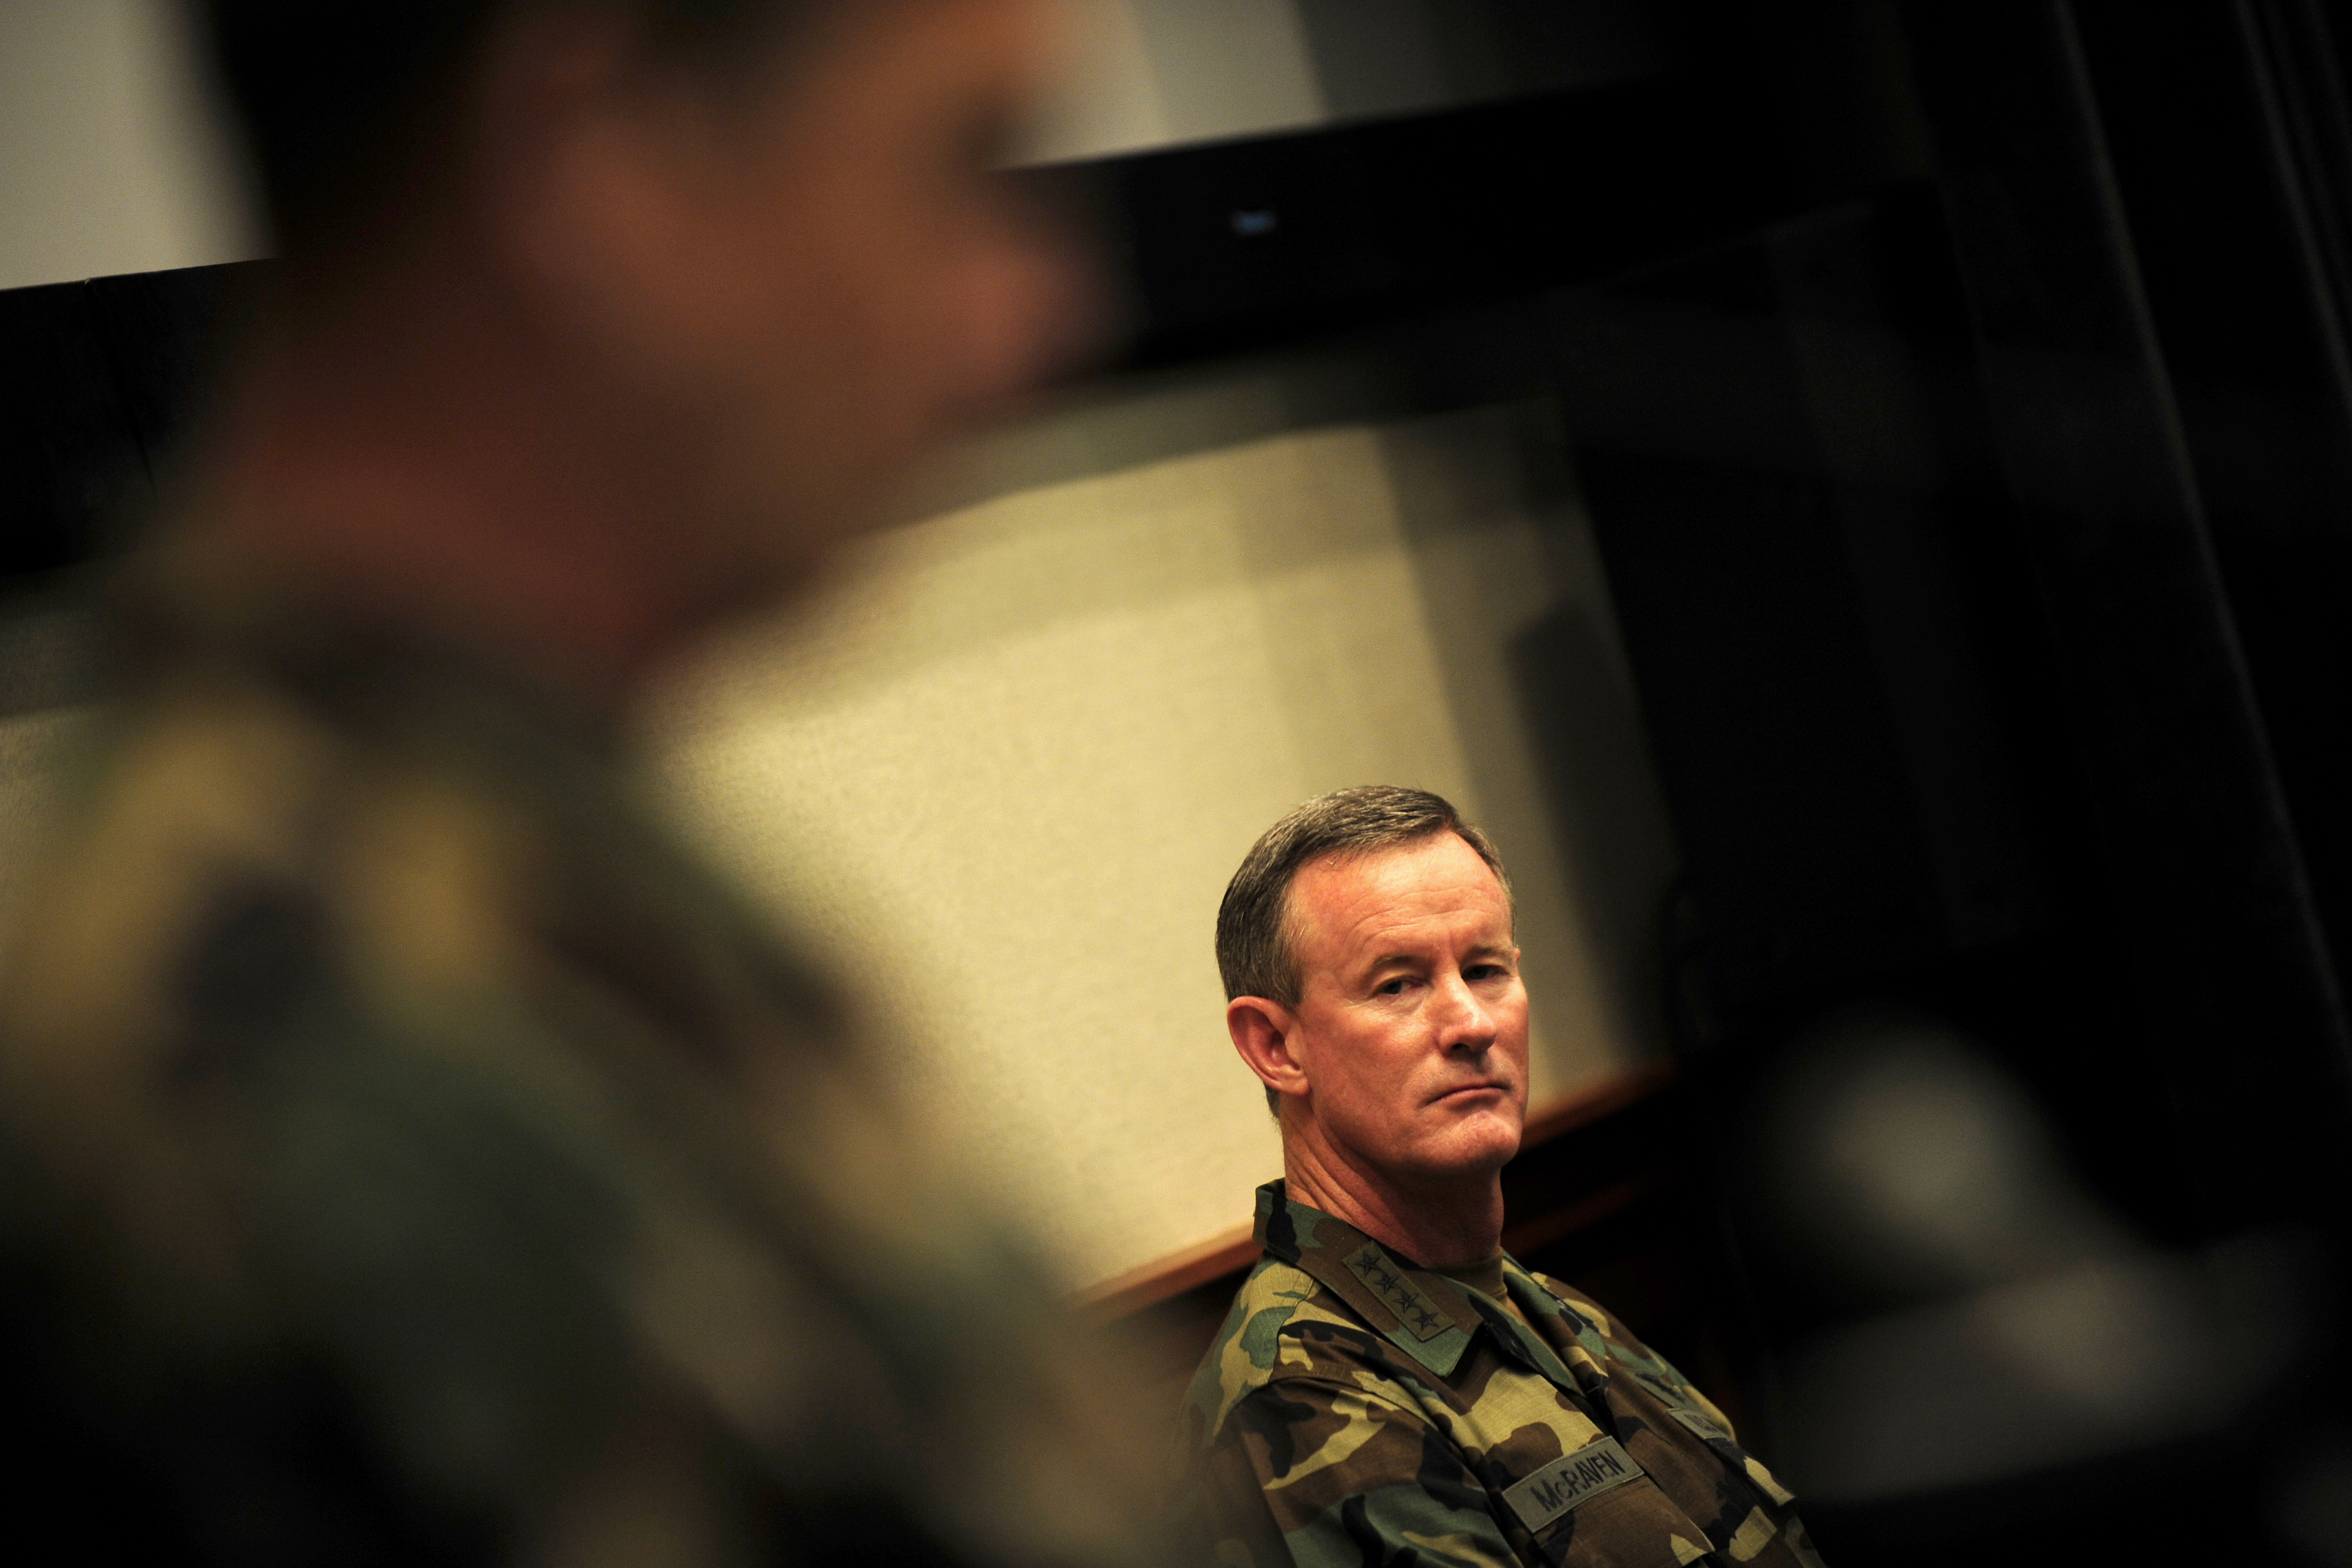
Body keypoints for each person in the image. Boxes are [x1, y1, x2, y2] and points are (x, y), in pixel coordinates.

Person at [0, 2, 1158, 1564]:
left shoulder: (467, 856)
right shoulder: (346, 1022)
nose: (1036, 307)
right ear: (604, 158)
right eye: (966, 159)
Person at [1179, 786, 1825, 1567]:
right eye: (1398, 984)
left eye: (1484, 970)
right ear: (1276, 1047)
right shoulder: (1298, 1389)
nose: (1473, 1024)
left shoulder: (1545, 1309)